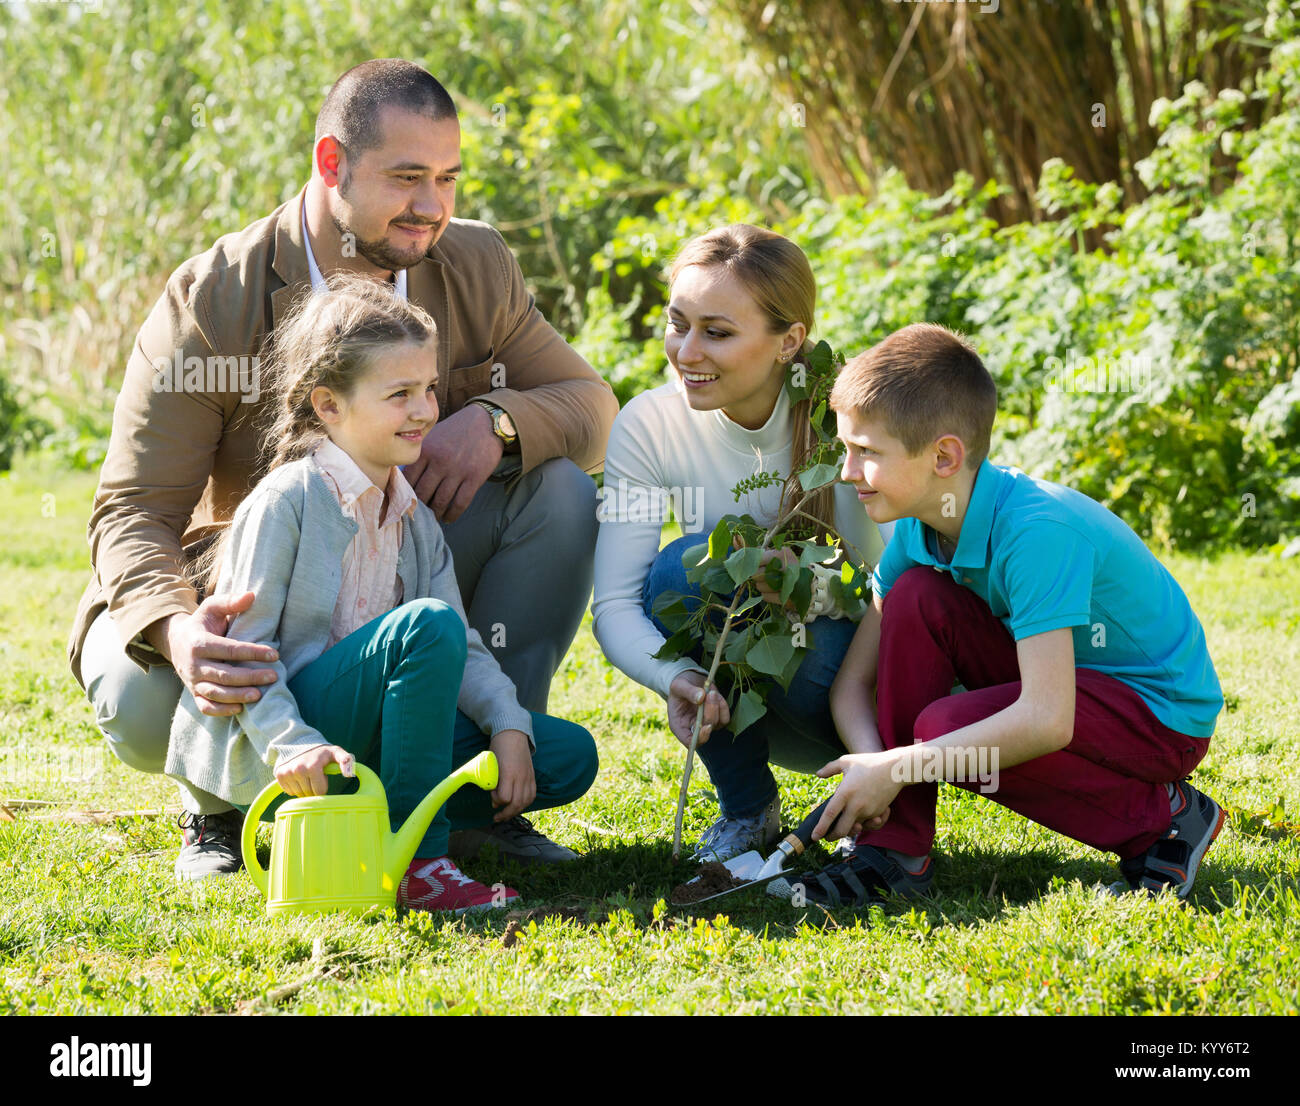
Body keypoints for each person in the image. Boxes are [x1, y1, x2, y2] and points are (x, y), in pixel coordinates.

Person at [69, 60, 617, 880]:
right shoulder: (212, 295)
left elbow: (591, 404)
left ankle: (489, 782)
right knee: (147, 708)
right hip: (247, 595)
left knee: (564, 492)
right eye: (406, 178)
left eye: (446, 178)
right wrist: (179, 635)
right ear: (332, 164)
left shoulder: (476, 263)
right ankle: (217, 811)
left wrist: (496, 422)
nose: (431, 206)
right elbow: (133, 511)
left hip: (395, 571)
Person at [166, 274, 596, 913]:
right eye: (399, 394)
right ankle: (424, 862)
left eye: (428, 390)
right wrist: (295, 746)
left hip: (368, 743)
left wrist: (507, 725)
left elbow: (468, 644)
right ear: (329, 405)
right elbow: (245, 660)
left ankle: (387, 808)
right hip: (287, 748)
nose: (425, 411)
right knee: (425, 626)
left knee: (563, 756)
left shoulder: (413, 514)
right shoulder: (288, 501)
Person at [801, 322, 1225, 905]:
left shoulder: (1036, 532)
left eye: (867, 453)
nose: (847, 472)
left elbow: (1047, 719)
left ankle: (1165, 818)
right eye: (847, 450)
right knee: (919, 596)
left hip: (1158, 715)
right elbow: (852, 684)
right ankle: (895, 849)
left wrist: (900, 768)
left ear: (944, 456)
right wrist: (874, 772)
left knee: (944, 734)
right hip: (1070, 688)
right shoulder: (916, 532)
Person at [592, 225, 891, 862]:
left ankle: (877, 801)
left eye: (718, 333)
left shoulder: (849, 420)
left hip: (853, 694)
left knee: (707, 563)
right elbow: (615, 606)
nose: (686, 352)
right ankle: (749, 810)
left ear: (789, 342)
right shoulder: (647, 424)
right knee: (682, 568)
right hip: (739, 706)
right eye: (678, 324)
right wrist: (678, 678)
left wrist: (807, 590)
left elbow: (898, 588)